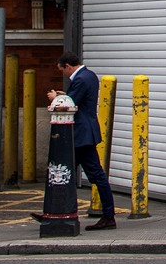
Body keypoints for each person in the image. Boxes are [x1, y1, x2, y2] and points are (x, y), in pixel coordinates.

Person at [48, 52, 116, 230]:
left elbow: (69, 105)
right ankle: (57, 211)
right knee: (64, 173)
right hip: (84, 133)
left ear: (68, 66)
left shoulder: (80, 79)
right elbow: (78, 99)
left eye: (62, 70)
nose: (62, 73)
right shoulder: (89, 75)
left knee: (95, 176)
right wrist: (67, 94)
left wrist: (56, 98)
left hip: (81, 135)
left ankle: (109, 216)